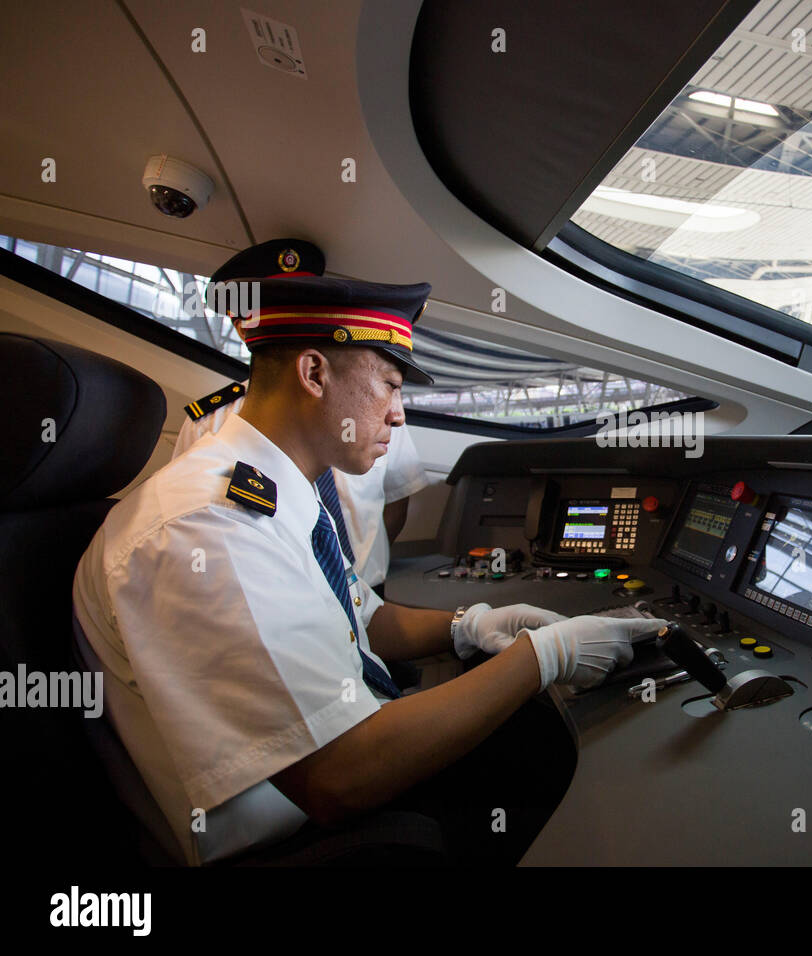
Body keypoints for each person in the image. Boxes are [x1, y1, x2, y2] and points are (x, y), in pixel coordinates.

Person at [73, 275, 665, 865]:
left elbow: (359, 614)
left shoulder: (280, 487)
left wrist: (470, 623)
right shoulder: (207, 526)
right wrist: (542, 659)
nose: (400, 415)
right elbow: (337, 780)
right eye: (389, 385)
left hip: (336, 778)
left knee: (529, 748)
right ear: (313, 373)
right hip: (301, 839)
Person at [174, 238, 428, 589]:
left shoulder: (372, 411)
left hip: (361, 589)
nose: (396, 415)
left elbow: (395, 502)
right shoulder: (207, 434)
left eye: (300, 294)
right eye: (258, 306)